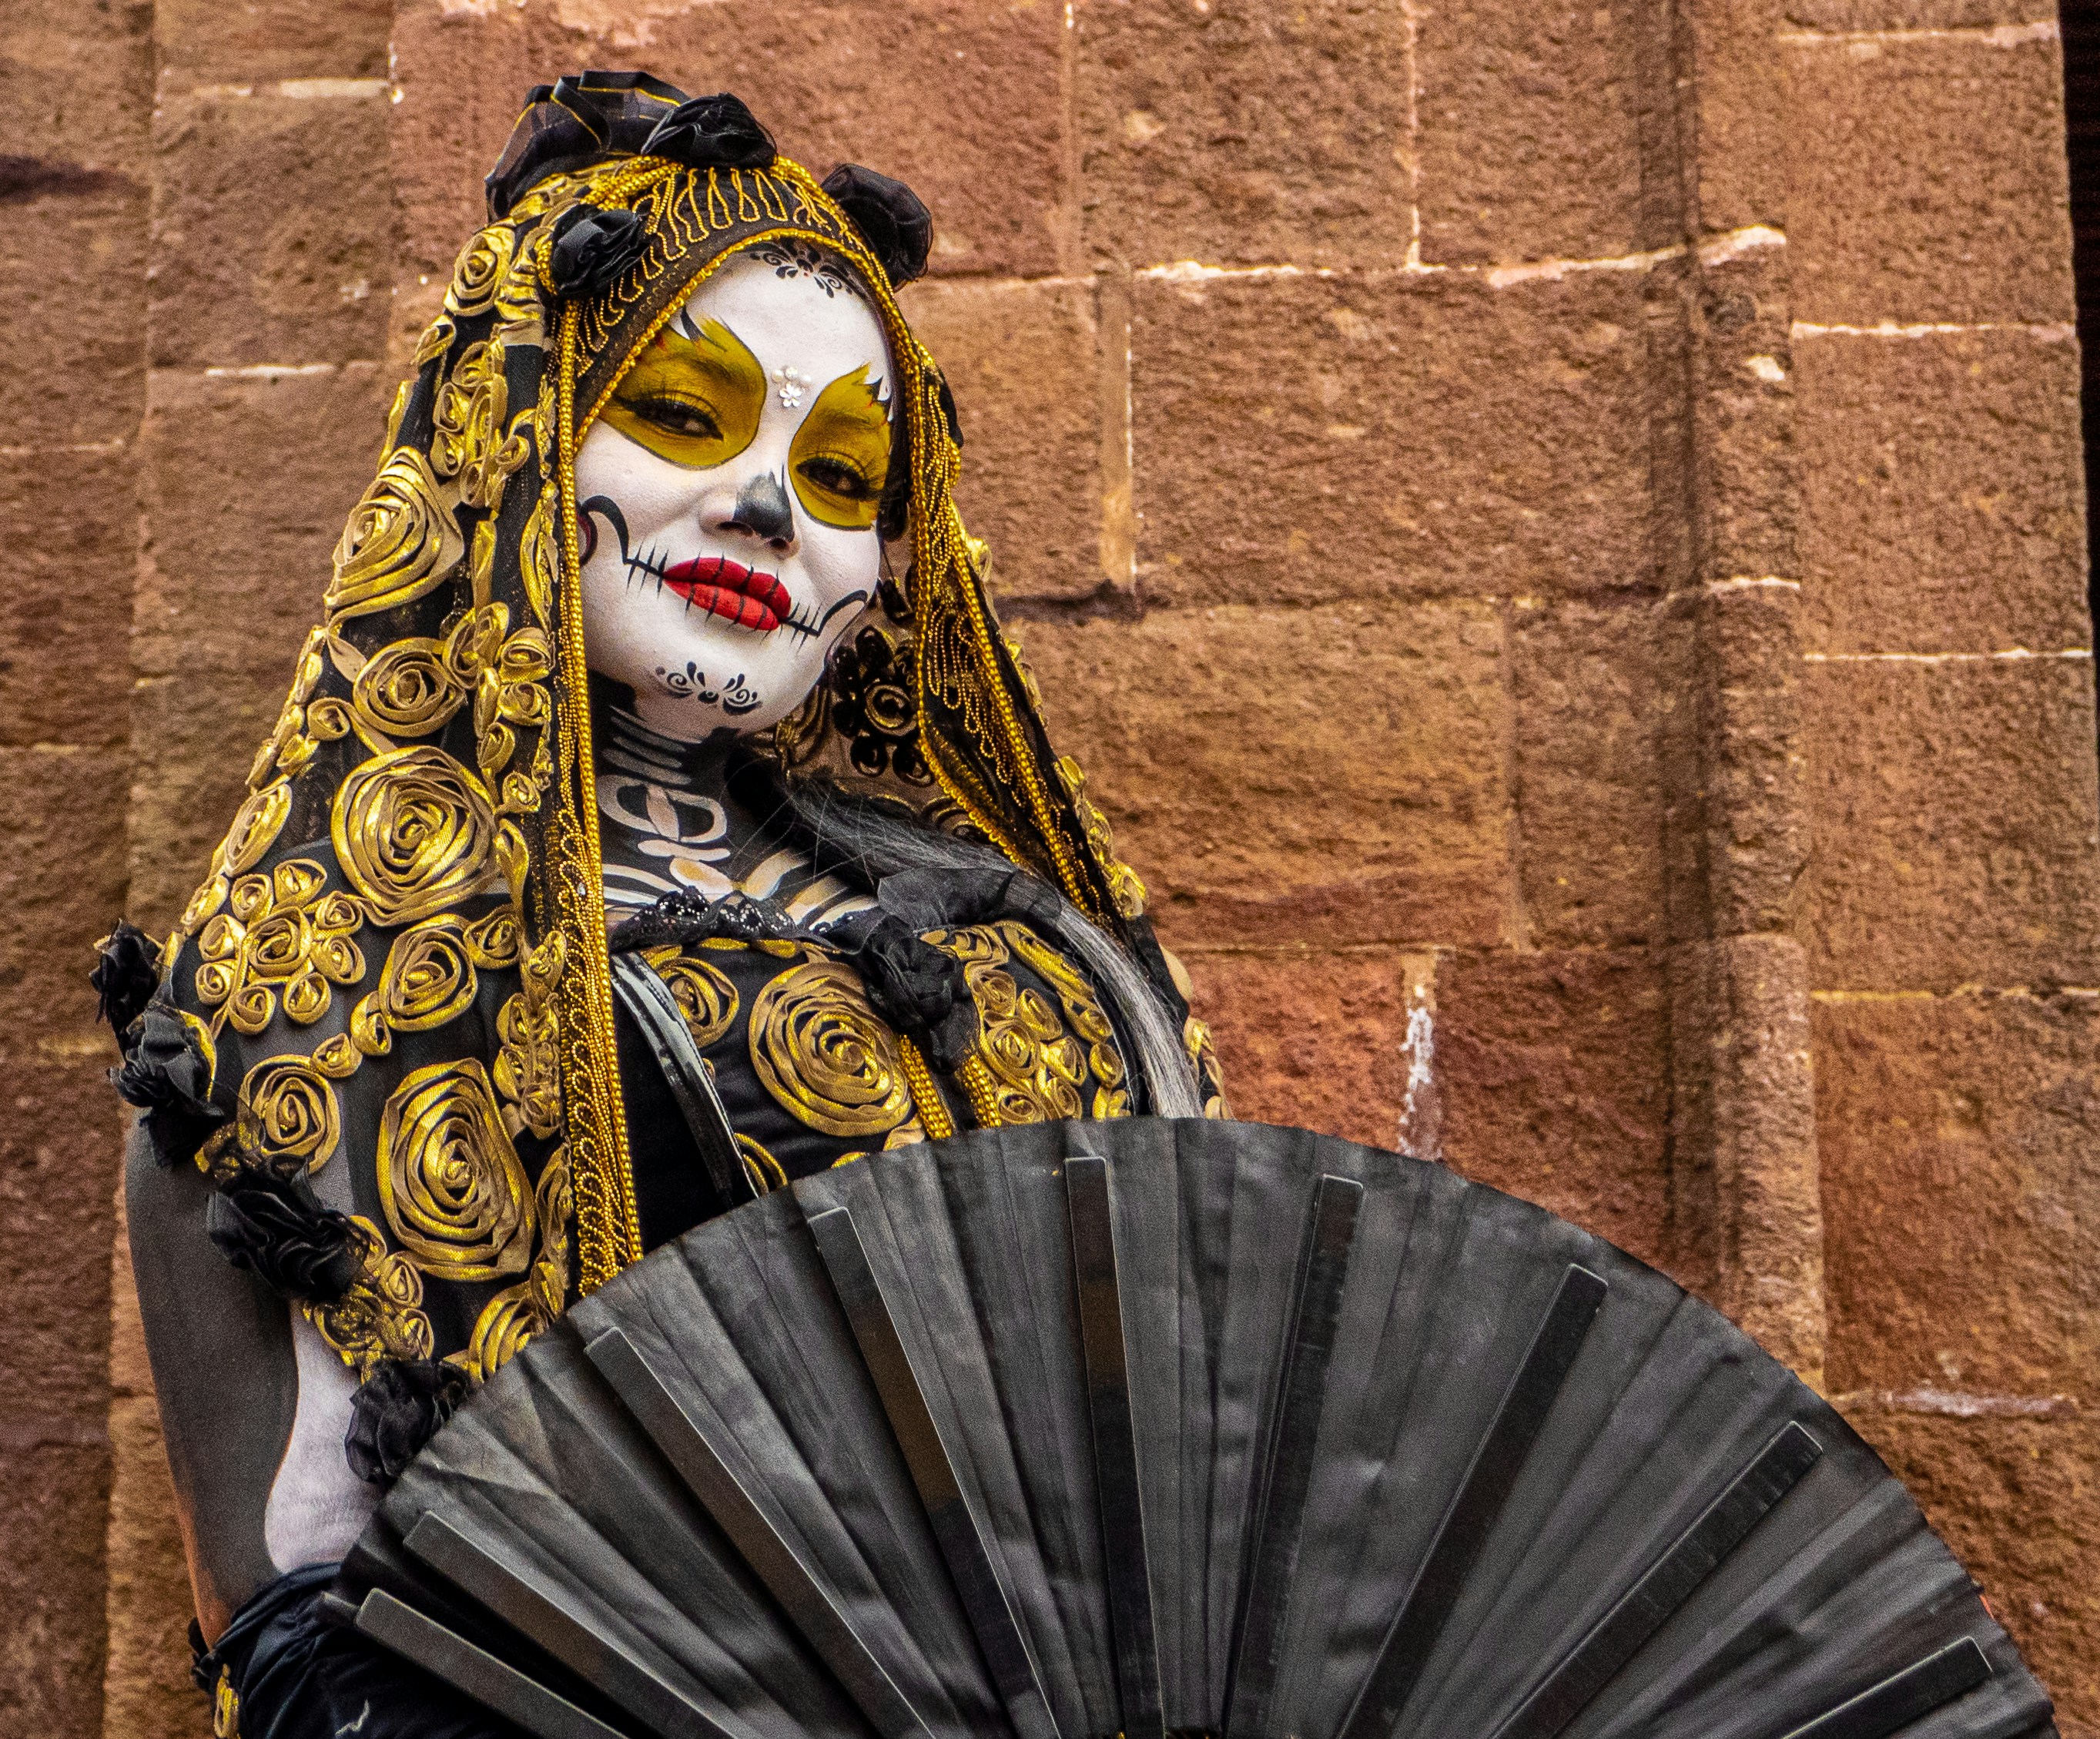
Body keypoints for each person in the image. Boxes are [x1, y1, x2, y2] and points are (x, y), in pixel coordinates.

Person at [94, 72, 1226, 1739]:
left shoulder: (1017, 927)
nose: (770, 507)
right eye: (689, 418)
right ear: (521, 439)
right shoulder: (321, 972)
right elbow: (319, 1627)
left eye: (844, 473)